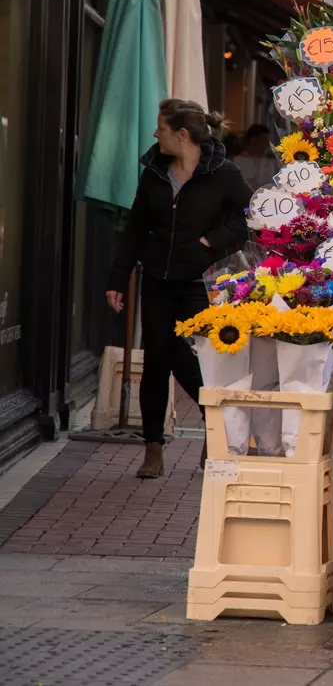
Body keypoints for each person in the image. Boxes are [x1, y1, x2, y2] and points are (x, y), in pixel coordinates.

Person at [106, 100, 253, 478]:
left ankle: (214, 425)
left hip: (200, 284)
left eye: (162, 129)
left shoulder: (224, 174)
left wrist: (209, 242)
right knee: (156, 361)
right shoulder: (155, 172)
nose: (156, 135)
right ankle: (152, 448)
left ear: (182, 134)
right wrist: (117, 278)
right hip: (157, 279)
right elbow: (135, 227)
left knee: (194, 360)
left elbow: (248, 219)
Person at [232, 124, 278, 192]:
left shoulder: (269, 163)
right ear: (254, 140)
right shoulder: (236, 162)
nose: (267, 144)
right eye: (264, 140)